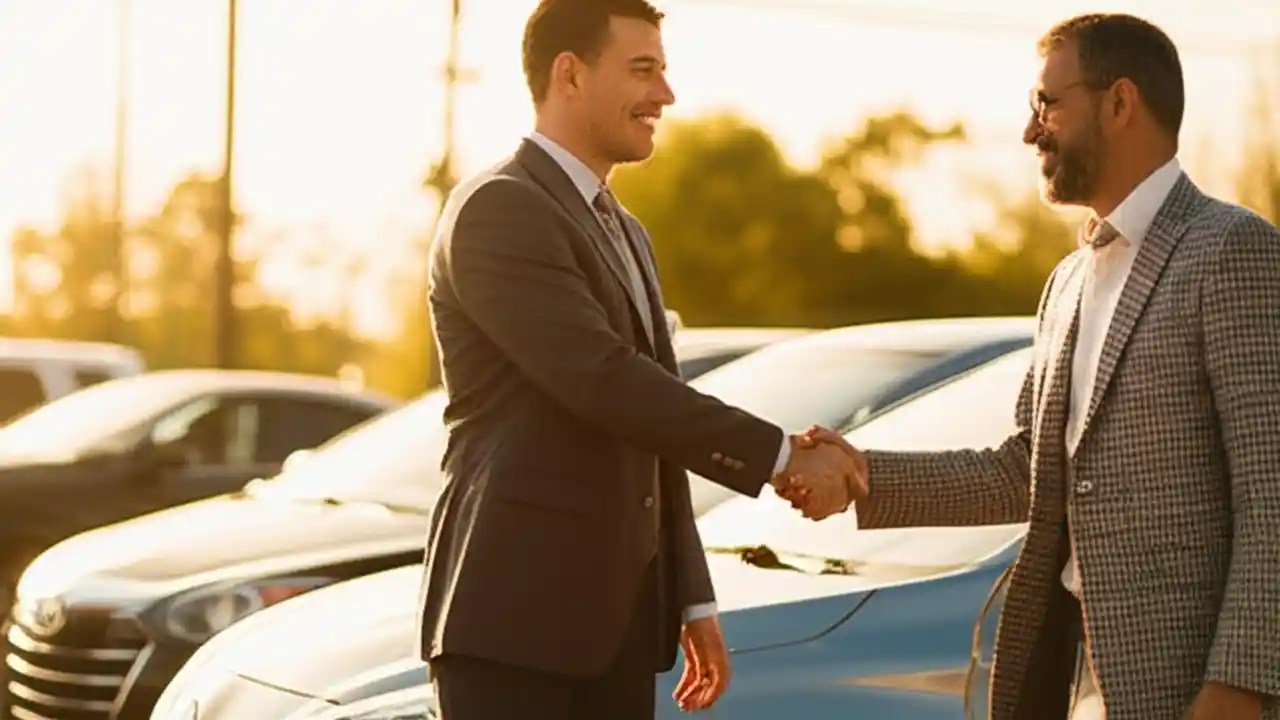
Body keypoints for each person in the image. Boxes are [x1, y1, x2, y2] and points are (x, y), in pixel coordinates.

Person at [791, 13, 1280, 720]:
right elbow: (1027, 470)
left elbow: (1272, 492)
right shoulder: (1068, 282)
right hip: (1063, 670)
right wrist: (861, 474)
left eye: (1047, 104)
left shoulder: (1232, 251)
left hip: (1190, 687)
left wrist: (1238, 686)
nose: (1030, 130)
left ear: (1119, 103)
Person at [417, 1, 855, 718]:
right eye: (643, 70)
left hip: (615, 629)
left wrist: (690, 596)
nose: (666, 95)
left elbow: (652, 415)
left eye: (664, 71)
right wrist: (780, 456)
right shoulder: (500, 209)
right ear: (570, 75)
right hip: (512, 626)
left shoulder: (628, 231)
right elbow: (604, 383)